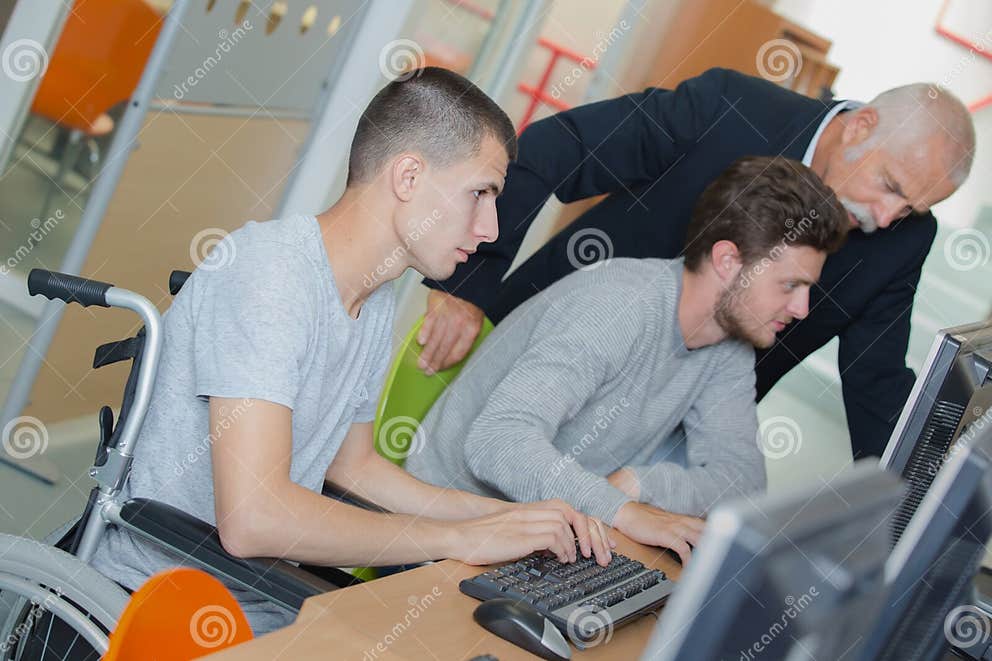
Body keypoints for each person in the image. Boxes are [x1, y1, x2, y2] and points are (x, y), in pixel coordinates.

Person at [90, 67, 617, 637]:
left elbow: (353, 465)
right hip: (158, 600)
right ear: (409, 176)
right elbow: (252, 519)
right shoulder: (272, 276)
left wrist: (499, 515)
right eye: (480, 193)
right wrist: (461, 538)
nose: (491, 228)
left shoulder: (373, 295)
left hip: (262, 599)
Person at [417, 68, 976, 459]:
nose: (885, 216)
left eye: (911, 207)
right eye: (889, 186)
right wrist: (470, 283)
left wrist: (924, 501)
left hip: (659, 444)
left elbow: (876, 382)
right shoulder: (730, 108)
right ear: (860, 126)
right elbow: (554, 149)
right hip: (536, 359)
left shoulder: (903, 240)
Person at [406, 155, 848, 563]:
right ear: (729, 261)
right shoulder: (620, 307)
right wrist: (623, 510)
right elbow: (497, 442)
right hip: (445, 532)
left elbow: (743, 485)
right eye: (790, 285)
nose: (802, 309)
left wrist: (643, 485)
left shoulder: (729, 343)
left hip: (545, 537)